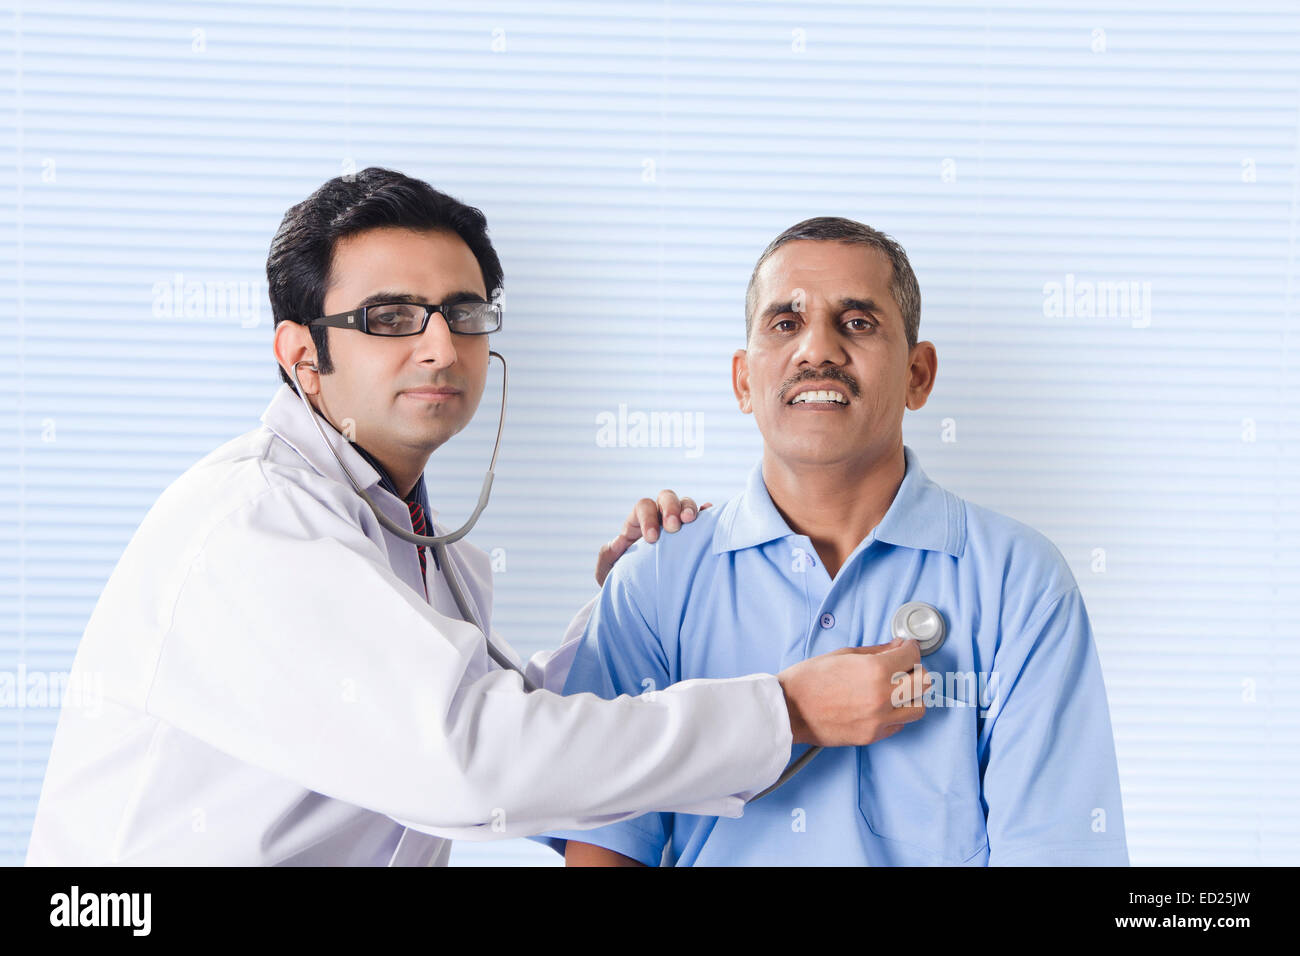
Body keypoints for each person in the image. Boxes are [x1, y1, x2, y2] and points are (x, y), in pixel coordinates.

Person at [25, 174, 925, 866]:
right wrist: (787, 711)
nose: (439, 345)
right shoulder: (256, 524)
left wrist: (627, 607)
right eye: (389, 316)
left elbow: (498, 718)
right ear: (303, 354)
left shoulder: (398, 524)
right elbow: (472, 763)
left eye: (462, 312)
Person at [539, 217, 1130, 866]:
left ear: (918, 375)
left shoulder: (1022, 583)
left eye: (857, 322)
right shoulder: (654, 581)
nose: (816, 349)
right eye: (785, 323)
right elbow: (606, 845)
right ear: (743, 381)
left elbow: (1056, 848)